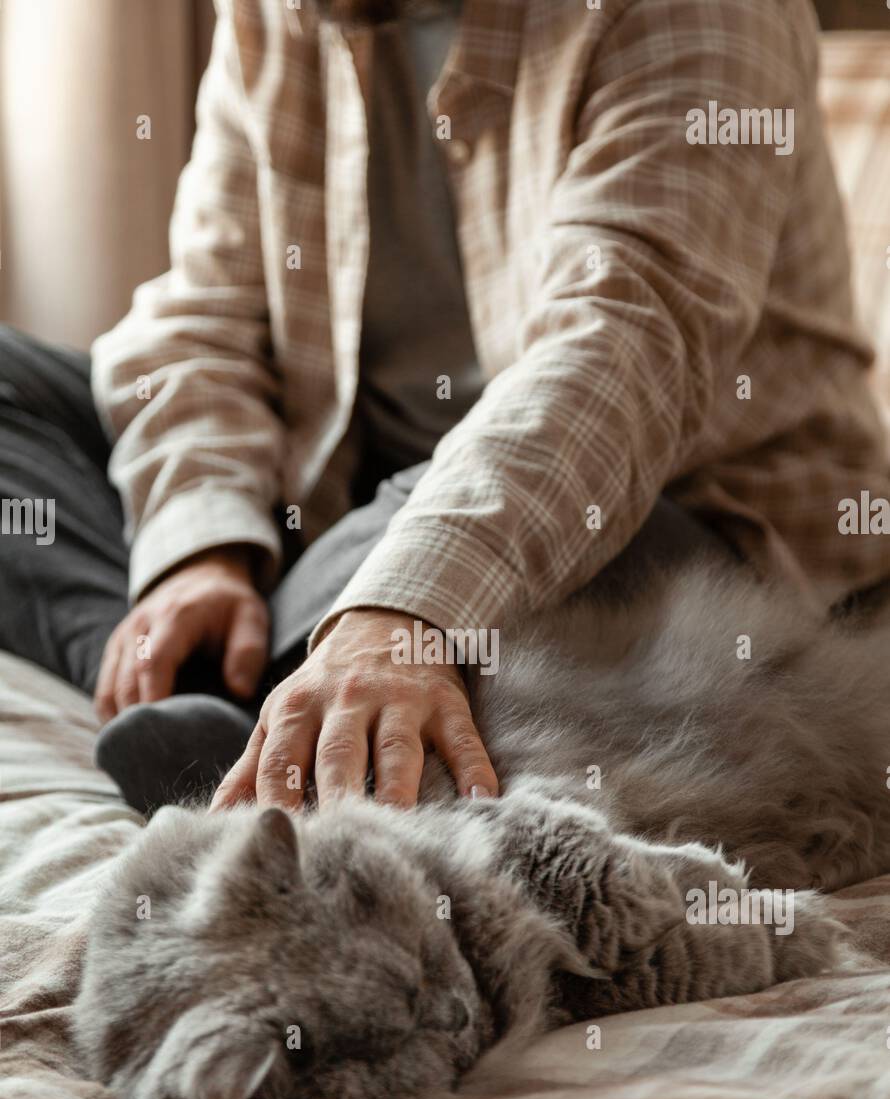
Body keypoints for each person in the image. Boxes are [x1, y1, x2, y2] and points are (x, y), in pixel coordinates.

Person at [1, 0, 888, 815]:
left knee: (547, 549)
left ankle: (286, 693)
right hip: (346, 508)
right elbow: (207, 315)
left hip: (657, 512)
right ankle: (213, 679)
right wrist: (200, 548)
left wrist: (405, 610)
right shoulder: (284, 11)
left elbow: (618, 360)